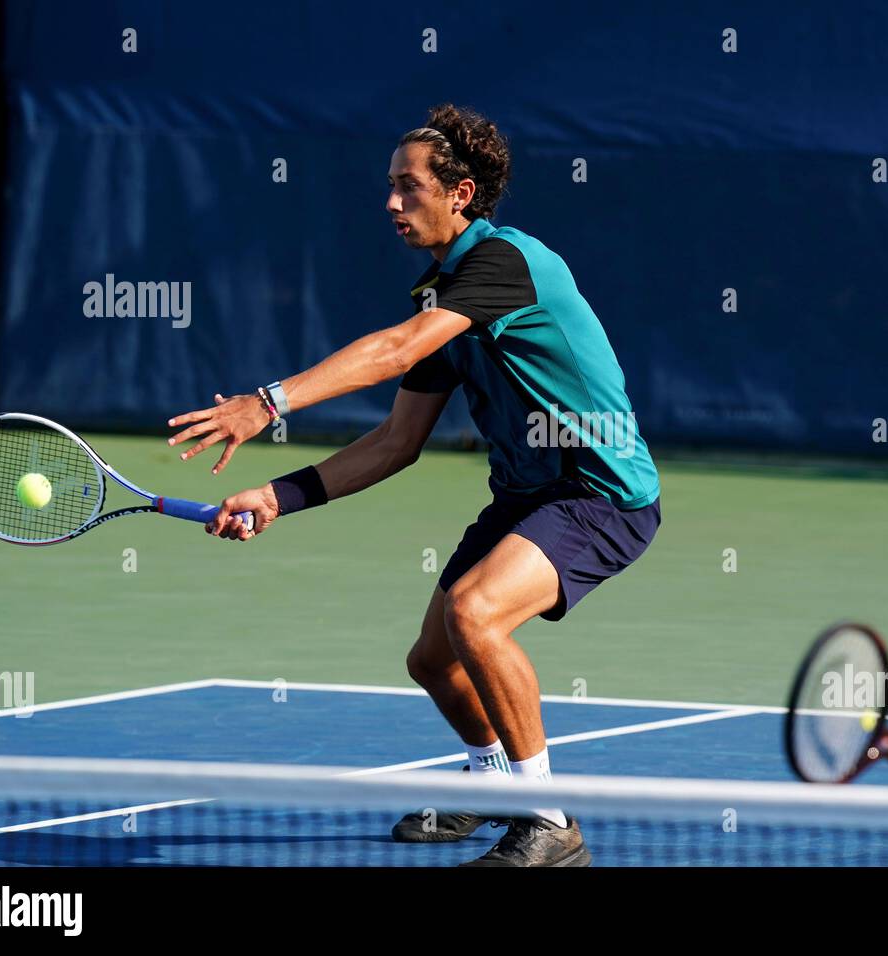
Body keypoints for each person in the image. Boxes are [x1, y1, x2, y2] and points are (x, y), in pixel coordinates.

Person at [165, 104, 661, 867]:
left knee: (475, 612)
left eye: (408, 187)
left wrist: (267, 403)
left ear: (460, 193)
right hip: (528, 496)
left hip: (598, 492)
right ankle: (494, 784)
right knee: (433, 660)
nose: (391, 204)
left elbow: (395, 351)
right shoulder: (445, 296)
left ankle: (550, 823)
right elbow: (397, 443)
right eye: (390, 187)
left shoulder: (504, 264)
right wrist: (276, 496)